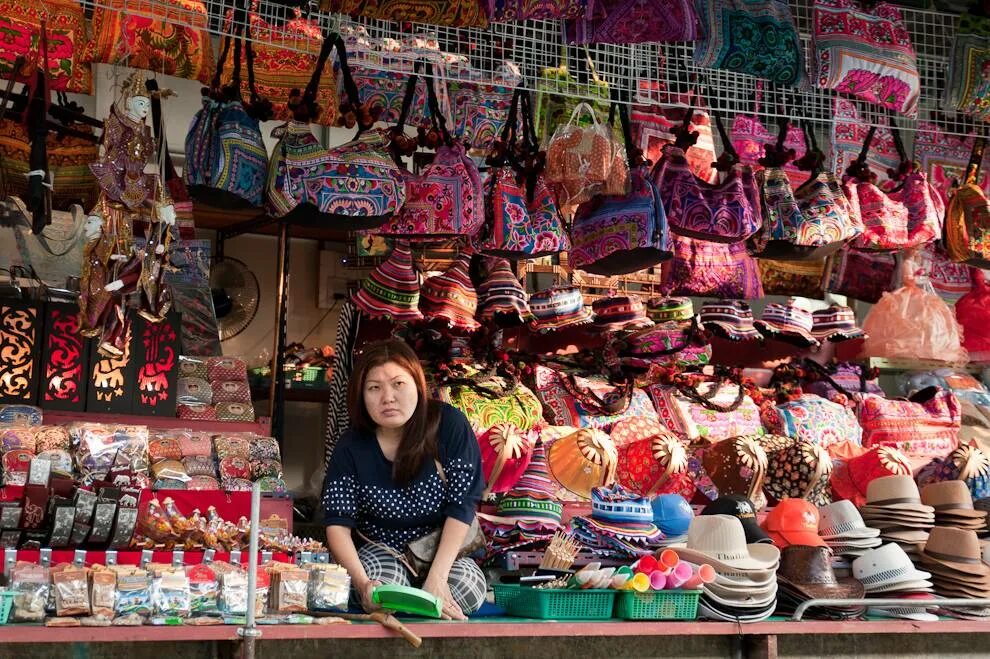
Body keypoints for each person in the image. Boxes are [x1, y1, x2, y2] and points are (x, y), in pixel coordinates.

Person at [323, 339, 486, 620]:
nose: (388, 397)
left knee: (467, 593)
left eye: (398, 384)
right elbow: (337, 523)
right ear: (361, 395)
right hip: (383, 550)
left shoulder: (449, 425)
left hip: (440, 550)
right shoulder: (351, 446)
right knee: (384, 595)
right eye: (374, 387)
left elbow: (462, 505)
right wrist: (363, 585)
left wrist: (437, 577)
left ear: (418, 385)